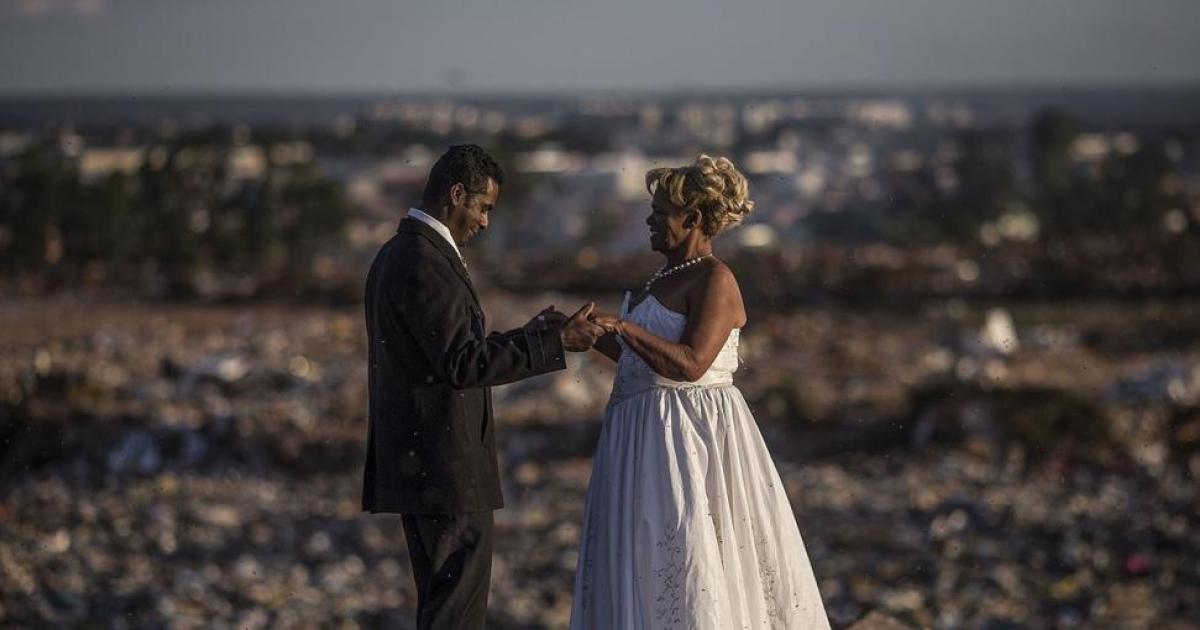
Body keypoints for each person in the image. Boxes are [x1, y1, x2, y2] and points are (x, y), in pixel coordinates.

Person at [571, 155, 830, 628]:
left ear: (692, 219)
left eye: (659, 213)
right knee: (641, 558)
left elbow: (691, 363)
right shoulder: (663, 278)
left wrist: (625, 326)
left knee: (687, 551)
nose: (650, 221)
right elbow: (643, 360)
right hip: (641, 438)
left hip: (686, 442)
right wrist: (589, 334)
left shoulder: (717, 279)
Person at [362, 144, 605, 630]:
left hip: (427, 468)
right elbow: (463, 363)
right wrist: (555, 343)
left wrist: (534, 336)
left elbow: (452, 352)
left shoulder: (401, 252)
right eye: (484, 207)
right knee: (456, 615)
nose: (486, 222)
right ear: (456, 195)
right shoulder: (424, 262)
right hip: (445, 471)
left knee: (444, 608)